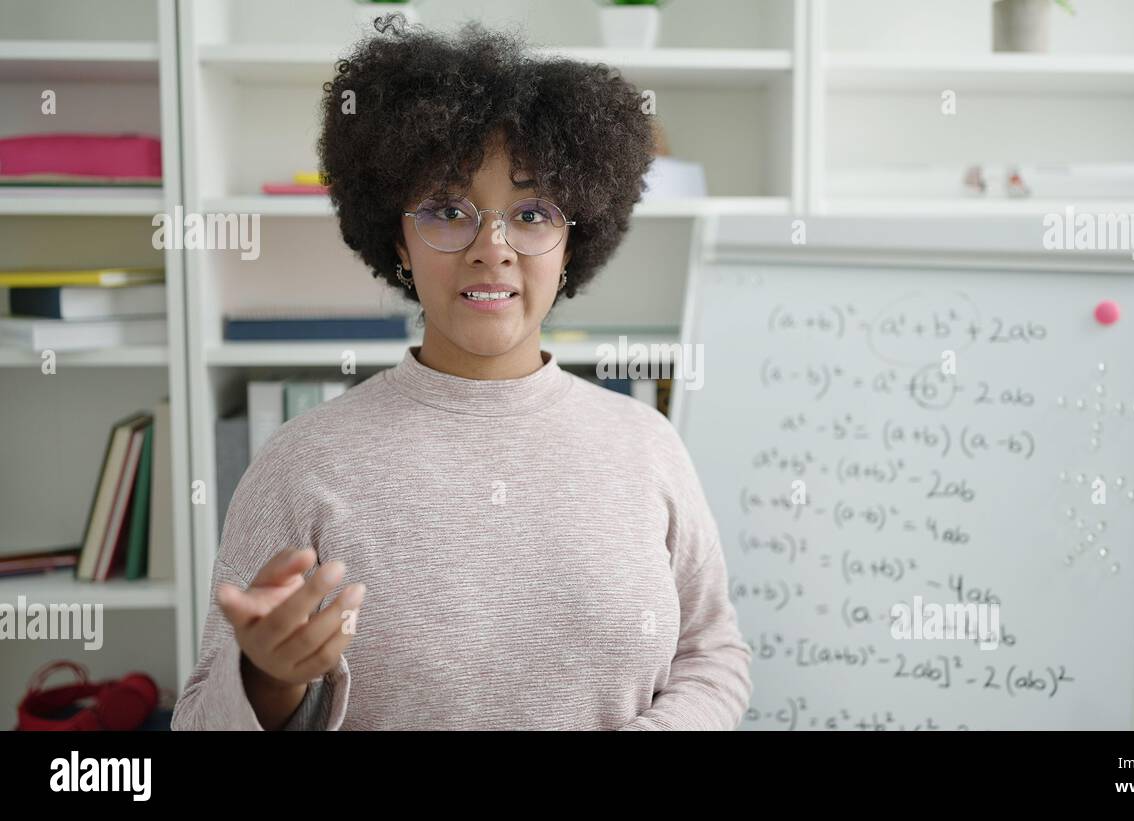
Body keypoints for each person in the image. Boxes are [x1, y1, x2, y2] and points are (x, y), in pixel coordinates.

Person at [171, 17, 752, 730]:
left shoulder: (648, 443)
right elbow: (199, 719)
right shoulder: (302, 463)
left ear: (573, 241)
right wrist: (265, 680)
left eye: (532, 212)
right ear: (400, 241)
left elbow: (711, 651)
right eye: (449, 210)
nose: (492, 247)